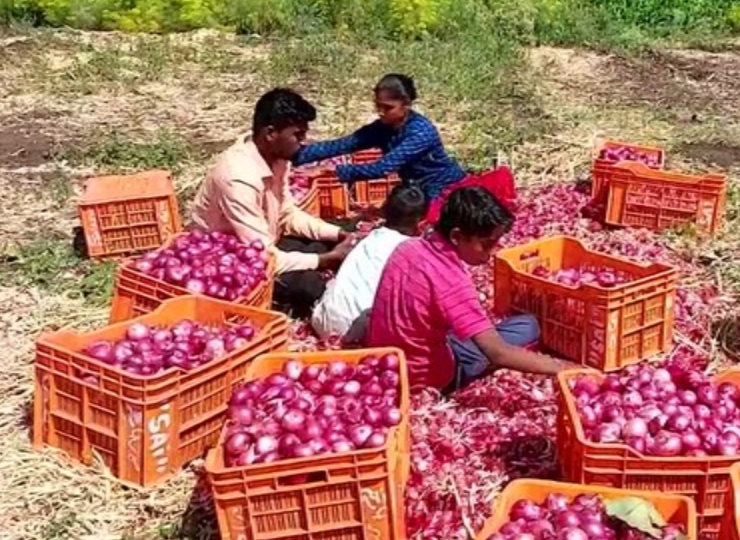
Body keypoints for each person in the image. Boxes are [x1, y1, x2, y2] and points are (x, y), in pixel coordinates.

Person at [366, 186, 570, 393]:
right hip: (427, 378)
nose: (493, 252)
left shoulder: (407, 248)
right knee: (528, 326)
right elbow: (498, 353)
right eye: (487, 243)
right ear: (456, 236)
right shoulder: (450, 280)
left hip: (389, 367)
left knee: (471, 332)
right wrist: (565, 369)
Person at [189, 88, 351, 319]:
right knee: (308, 287)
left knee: (331, 238)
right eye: (297, 135)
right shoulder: (238, 178)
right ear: (271, 133)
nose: (303, 142)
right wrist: (325, 260)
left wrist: (339, 234)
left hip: (266, 240)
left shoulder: (278, 158)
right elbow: (262, 256)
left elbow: (288, 214)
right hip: (232, 262)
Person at [291, 73, 516, 223]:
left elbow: (383, 168)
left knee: (430, 226)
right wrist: (296, 155)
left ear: (406, 105)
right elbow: (345, 144)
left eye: (387, 107)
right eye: (378, 107)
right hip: (416, 187)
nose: (381, 113)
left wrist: (333, 171)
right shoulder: (383, 127)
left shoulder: (421, 132)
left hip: (443, 187)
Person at [310, 181, 428, 343]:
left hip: (323, 320)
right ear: (420, 223)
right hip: (359, 331)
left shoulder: (369, 239)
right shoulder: (411, 251)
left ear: (384, 211)